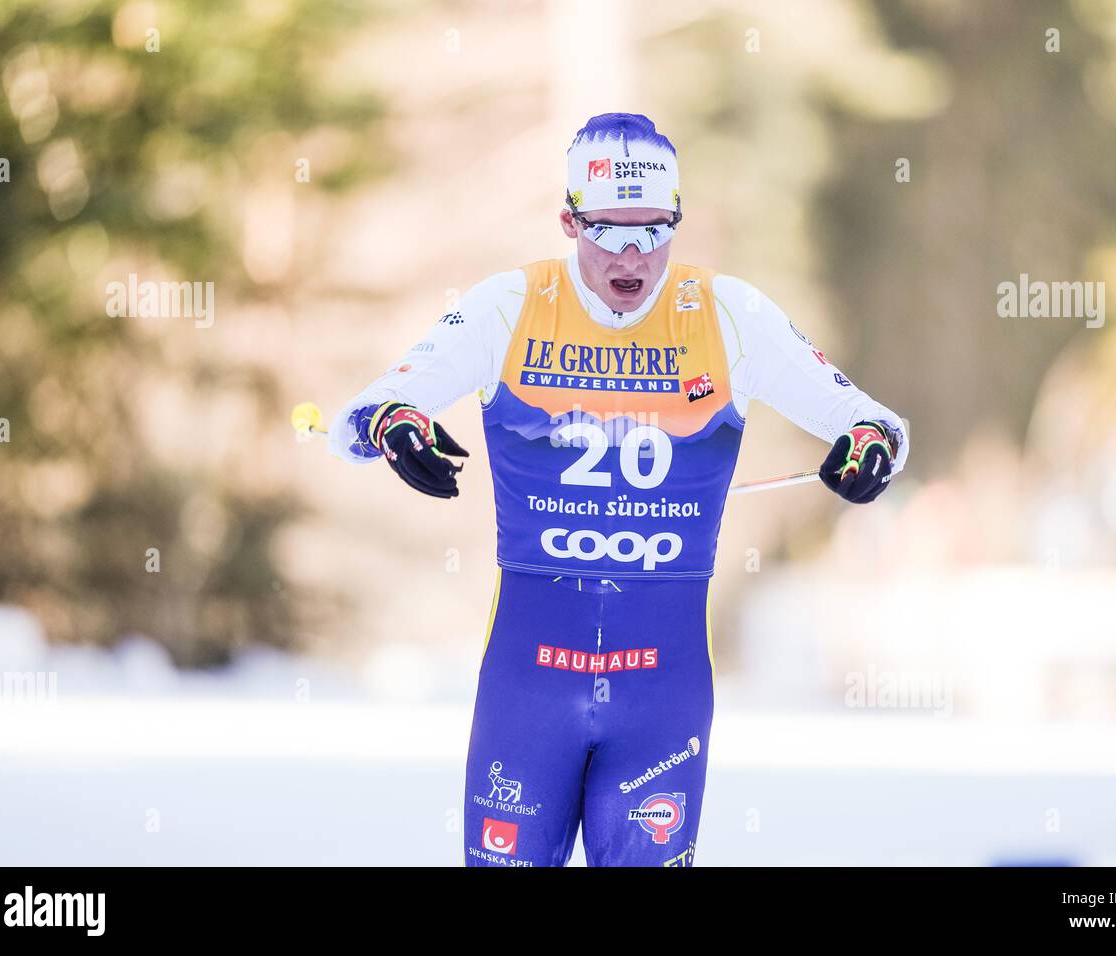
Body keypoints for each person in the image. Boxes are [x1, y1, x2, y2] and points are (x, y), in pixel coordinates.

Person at [329, 113, 909, 867]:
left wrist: (870, 448)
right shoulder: (510, 305)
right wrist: (396, 425)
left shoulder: (728, 313)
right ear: (568, 219)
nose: (631, 256)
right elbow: (361, 414)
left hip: (660, 692)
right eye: (608, 231)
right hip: (527, 687)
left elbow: (872, 423)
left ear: (678, 220)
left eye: (653, 230)